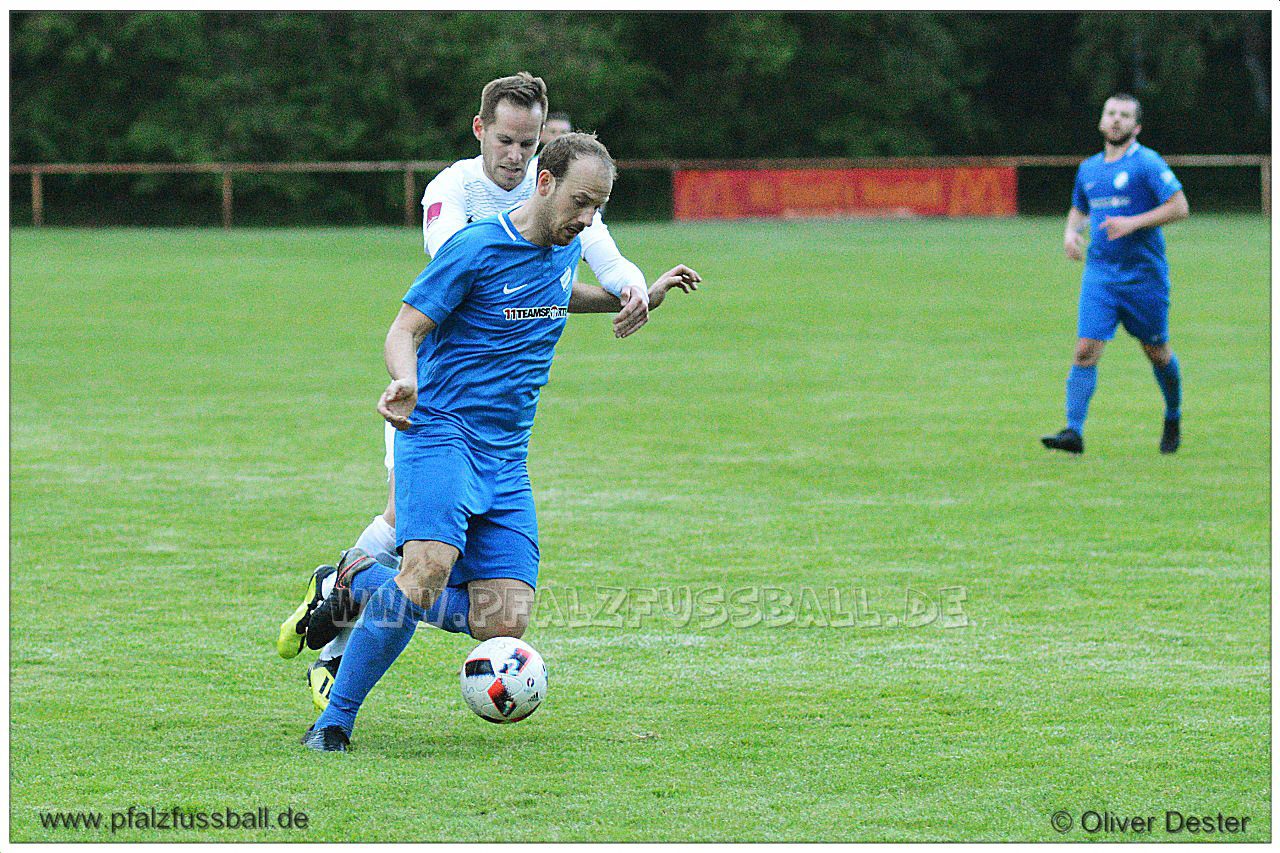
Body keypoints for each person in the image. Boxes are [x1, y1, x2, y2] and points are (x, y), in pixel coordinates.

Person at [276, 73, 699, 708]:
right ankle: (338, 664)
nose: (515, 155)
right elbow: (450, 295)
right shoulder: (455, 198)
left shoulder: (562, 217)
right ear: (481, 132)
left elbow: (565, 281)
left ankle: (356, 585)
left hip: (501, 437)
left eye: (528, 144)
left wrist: (640, 290)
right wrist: (406, 376)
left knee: (483, 604)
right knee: (417, 549)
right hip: (433, 399)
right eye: (505, 140)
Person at [1041, 93, 1189, 456]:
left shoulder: (1147, 163)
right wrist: (1070, 233)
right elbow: (1079, 208)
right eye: (1111, 113)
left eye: (1125, 115)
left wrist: (1133, 222)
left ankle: (1173, 415)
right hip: (1101, 275)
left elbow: (1180, 207)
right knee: (1085, 350)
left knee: (1157, 352)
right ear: (1101, 121)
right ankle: (1073, 434)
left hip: (1144, 277)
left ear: (1136, 126)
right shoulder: (1089, 168)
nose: (1116, 120)